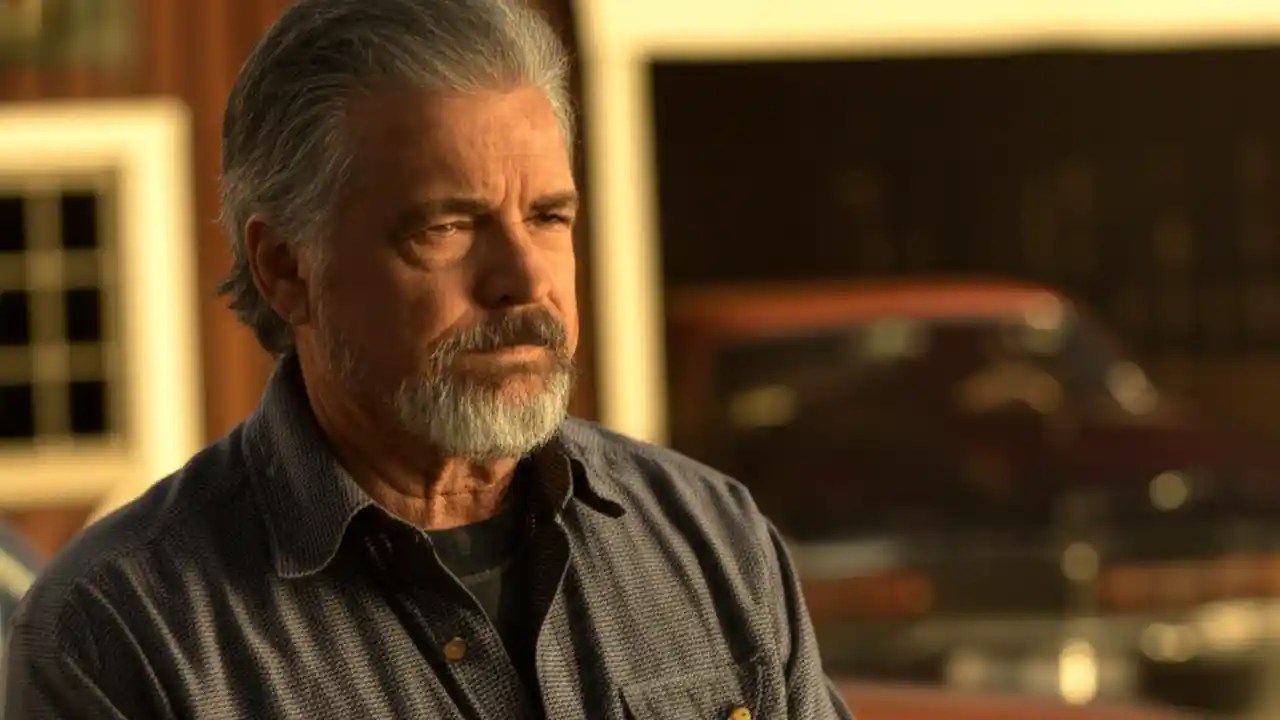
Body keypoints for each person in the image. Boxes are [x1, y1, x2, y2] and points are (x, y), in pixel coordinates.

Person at [4, 1, 853, 717]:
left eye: (550, 218)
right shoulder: (123, 632)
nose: (524, 282)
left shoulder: (710, 540)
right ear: (286, 267)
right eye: (446, 227)